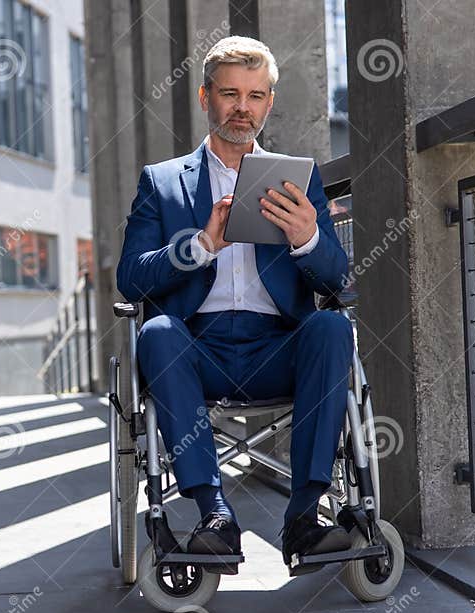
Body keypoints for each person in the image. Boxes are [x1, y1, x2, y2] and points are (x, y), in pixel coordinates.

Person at [116, 36, 351, 572]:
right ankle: (214, 513)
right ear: (206, 97)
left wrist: (309, 239)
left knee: (333, 328)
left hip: (277, 348)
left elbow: (337, 276)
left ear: (269, 102)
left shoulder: (299, 180)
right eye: (230, 94)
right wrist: (200, 246)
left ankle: (304, 515)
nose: (242, 107)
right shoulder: (162, 182)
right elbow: (130, 279)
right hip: (197, 349)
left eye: (255, 95)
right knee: (156, 332)